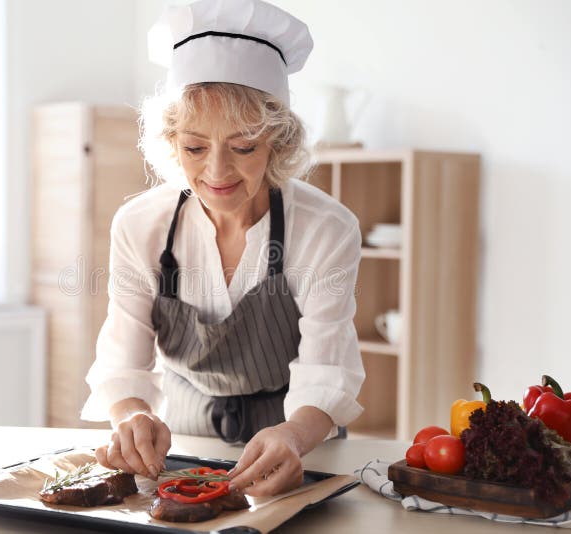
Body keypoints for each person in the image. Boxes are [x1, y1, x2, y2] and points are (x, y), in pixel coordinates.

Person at [81, 0, 365, 497]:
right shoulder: (140, 225)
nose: (216, 172)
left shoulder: (326, 229)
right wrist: (133, 417)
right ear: (172, 144)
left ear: (278, 142)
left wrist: (294, 437)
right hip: (183, 439)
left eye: (243, 147)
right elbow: (124, 363)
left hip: (297, 443)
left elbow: (328, 367)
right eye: (194, 148)